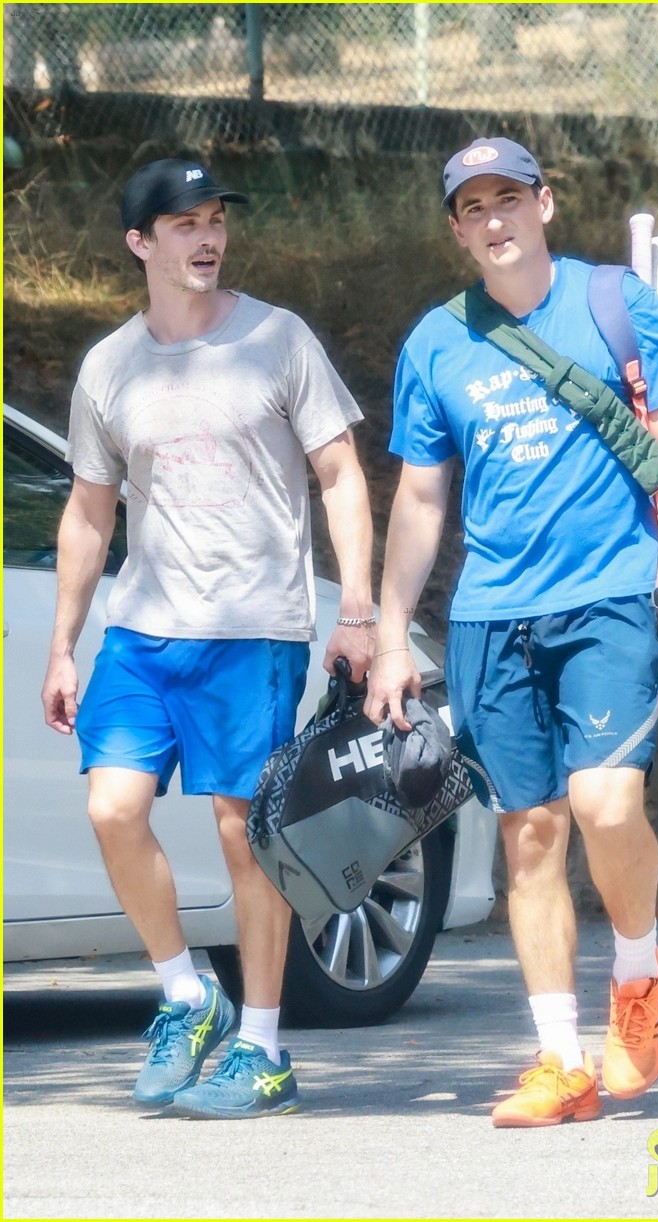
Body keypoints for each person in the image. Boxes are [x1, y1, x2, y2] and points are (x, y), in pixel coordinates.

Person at [364, 137, 658, 1127]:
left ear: (545, 203)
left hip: (610, 596)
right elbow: (422, 500)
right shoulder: (436, 342)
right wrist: (392, 632)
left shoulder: (615, 301)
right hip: (491, 614)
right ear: (457, 228)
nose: (495, 220)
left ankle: (640, 973)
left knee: (606, 805)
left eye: (510, 199)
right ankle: (561, 1062)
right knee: (528, 835)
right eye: (473, 207)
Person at [41, 157, 374, 1120]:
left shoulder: (278, 339)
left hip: (252, 631)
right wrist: (63, 644)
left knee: (244, 833)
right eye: (184, 223)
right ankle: (188, 996)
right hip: (144, 632)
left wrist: (356, 610)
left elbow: (342, 475)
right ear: (140, 242)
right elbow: (89, 513)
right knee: (113, 808)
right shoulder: (110, 367)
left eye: (216, 219)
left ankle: (262, 1050)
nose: (207, 237)